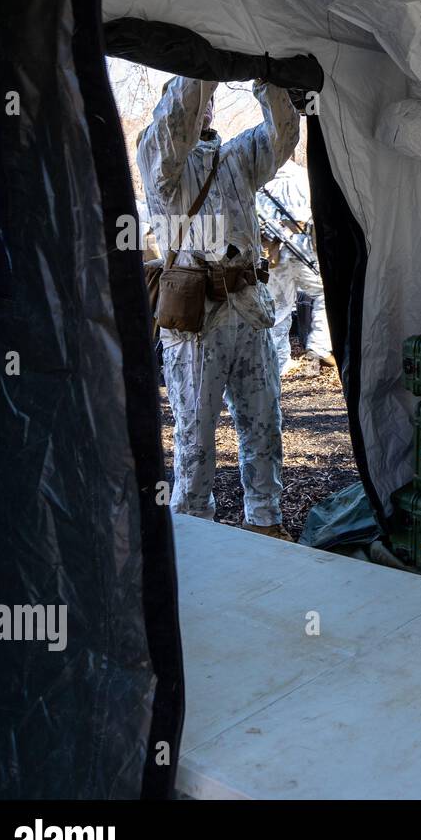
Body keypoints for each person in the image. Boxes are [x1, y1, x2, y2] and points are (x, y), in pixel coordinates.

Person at [138, 77, 300, 540]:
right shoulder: (160, 158)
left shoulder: (235, 158)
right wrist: (201, 72)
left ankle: (265, 522)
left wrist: (269, 82)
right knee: (195, 437)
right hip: (196, 322)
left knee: (264, 425)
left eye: (210, 101)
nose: (205, 108)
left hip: (248, 311)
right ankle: (193, 533)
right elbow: (175, 123)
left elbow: (283, 137)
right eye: (199, 99)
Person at [257, 160, 333, 376]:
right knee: (323, 294)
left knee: (279, 307)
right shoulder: (304, 177)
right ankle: (318, 346)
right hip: (304, 250)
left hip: (273, 254)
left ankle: (277, 362)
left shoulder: (262, 182)